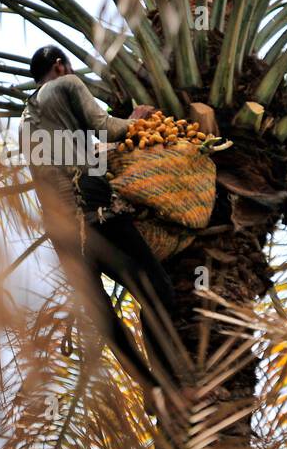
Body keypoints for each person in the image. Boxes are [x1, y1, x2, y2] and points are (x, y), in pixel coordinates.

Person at [21, 45, 178, 398]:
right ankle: (169, 382)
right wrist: (137, 120)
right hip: (94, 212)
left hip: (62, 233)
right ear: (60, 65)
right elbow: (103, 127)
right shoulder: (68, 84)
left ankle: (151, 391)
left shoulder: (28, 115)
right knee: (158, 291)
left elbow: (75, 152)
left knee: (104, 317)